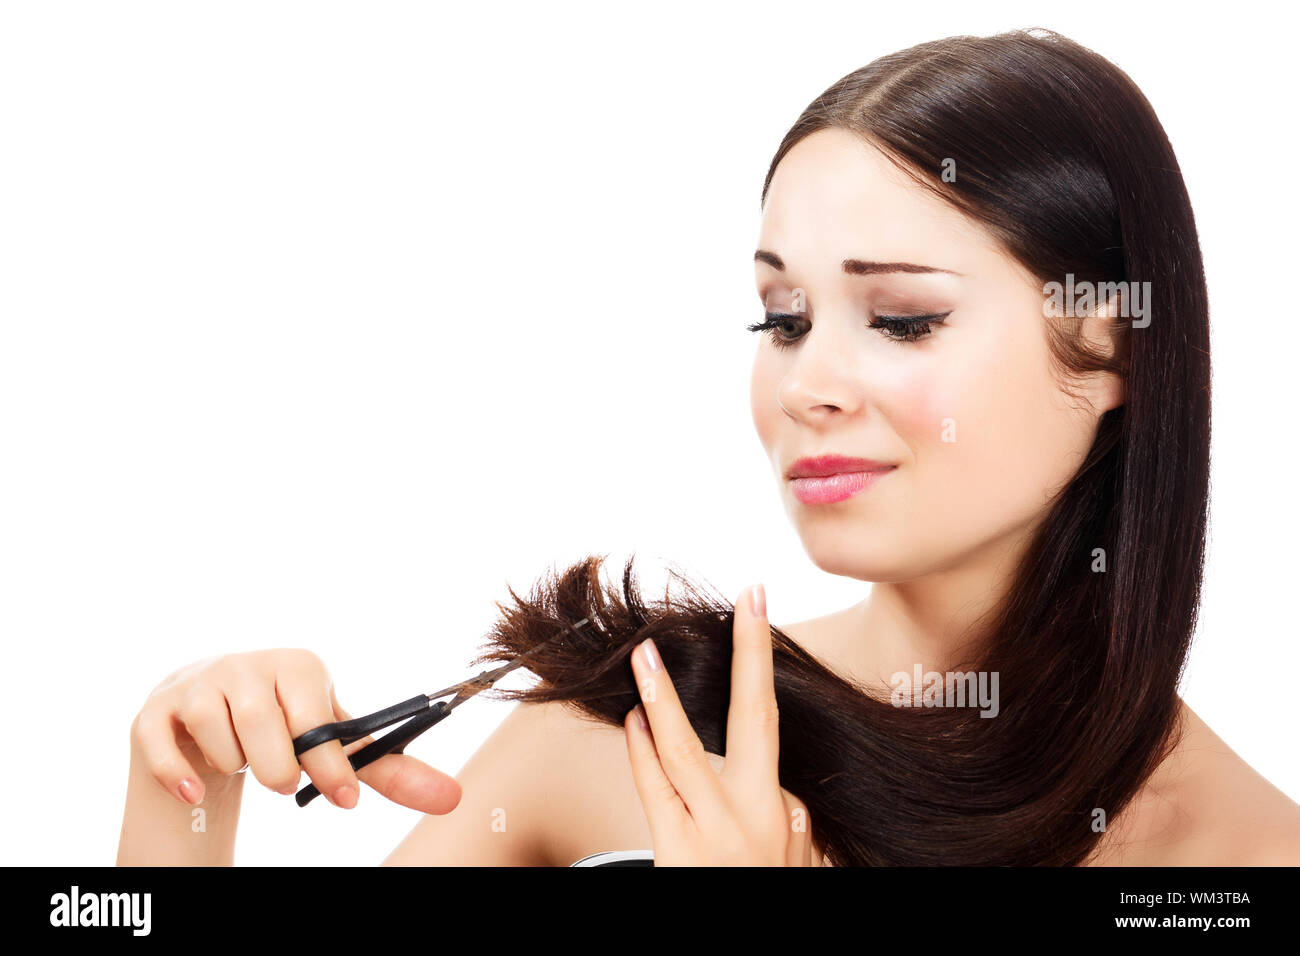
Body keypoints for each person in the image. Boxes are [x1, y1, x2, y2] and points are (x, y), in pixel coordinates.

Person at [118, 28, 1300, 867]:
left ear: (1111, 351)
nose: (810, 385)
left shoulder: (1244, 855)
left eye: (901, 319)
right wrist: (182, 788)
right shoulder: (642, 723)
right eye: (780, 320)